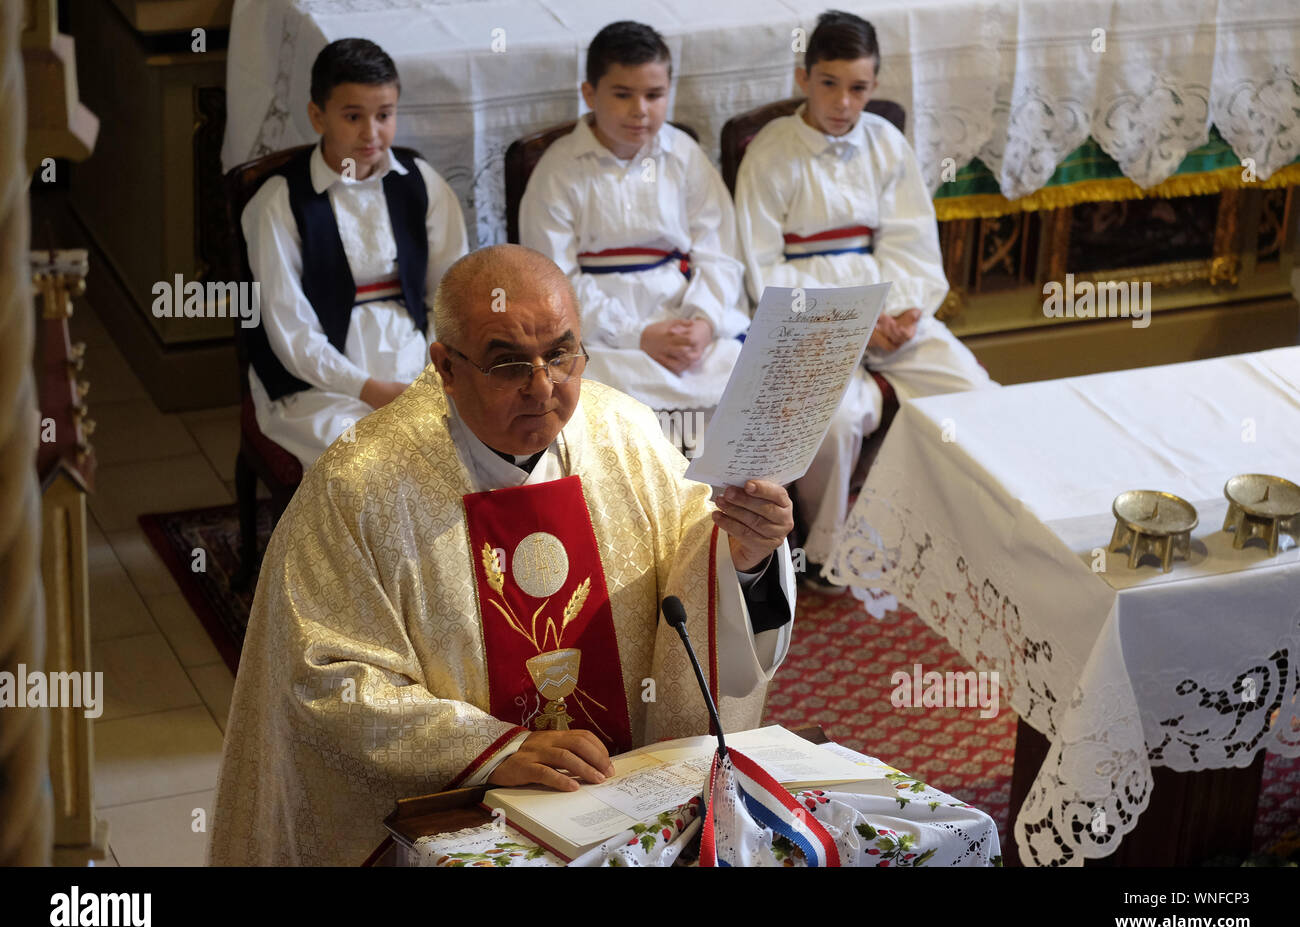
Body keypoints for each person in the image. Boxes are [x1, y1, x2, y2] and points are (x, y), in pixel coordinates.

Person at [209, 245, 796, 866]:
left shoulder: (625, 433)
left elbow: (697, 570)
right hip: (460, 810)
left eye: (561, 355)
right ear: (446, 366)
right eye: (509, 363)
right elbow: (323, 674)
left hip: (625, 791)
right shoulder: (360, 487)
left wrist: (746, 554)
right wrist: (491, 750)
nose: (542, 387)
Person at [734, 10, 996, 591]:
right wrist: (852, 322)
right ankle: (827, 553)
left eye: (859, 88)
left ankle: (970, 524)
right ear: (804, 78)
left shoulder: (887, 143)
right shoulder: (770, 153)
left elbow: (911, 241)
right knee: (838, 421)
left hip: (891, 313)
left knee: (972, 392)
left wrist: (904, 311)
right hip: (813, 324)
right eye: (829, 83)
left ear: (873, 86)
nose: (844, 102)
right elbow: (764, 270)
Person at [520, 20, 749, 457]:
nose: (640, 110)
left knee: (741, 376)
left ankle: (720, 516)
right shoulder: (559, 169)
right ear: (590, 94)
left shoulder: (683, 154)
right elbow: (554, 282)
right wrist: (638, 333)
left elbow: (720, 252)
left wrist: (701, 321)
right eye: (623, 94)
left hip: (684, 313)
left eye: (654, 95)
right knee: (611, 402)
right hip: (606, 330)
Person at [242, 37, 468, 470]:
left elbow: (450, 294)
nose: (371, 133)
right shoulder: (280, 203)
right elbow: (291, 331)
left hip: (415, 362)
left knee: (465, 452)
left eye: (384, 116)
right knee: (368, 467)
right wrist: (370, 390)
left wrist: (430, 373)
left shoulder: (421, 184)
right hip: (316, 384)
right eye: (352, 116)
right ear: (317, 115)